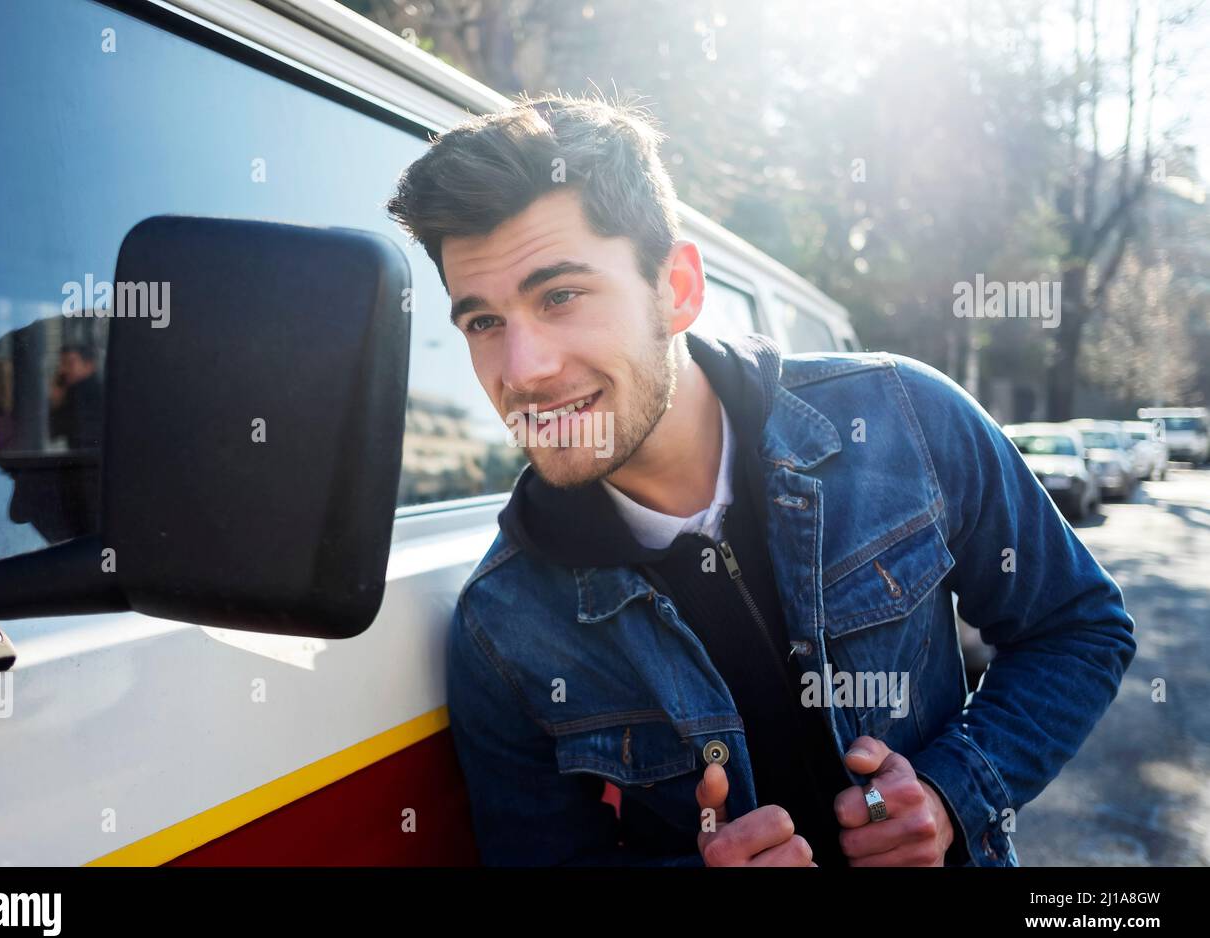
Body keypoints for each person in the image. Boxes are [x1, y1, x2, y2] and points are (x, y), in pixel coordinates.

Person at [385, 93, 1135, 867]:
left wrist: (952, 792)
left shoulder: (904, 415)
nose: (522, 370)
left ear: (676, 289)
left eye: (561, 296)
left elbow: (1078, 625)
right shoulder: (502, 624)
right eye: (483, 322)